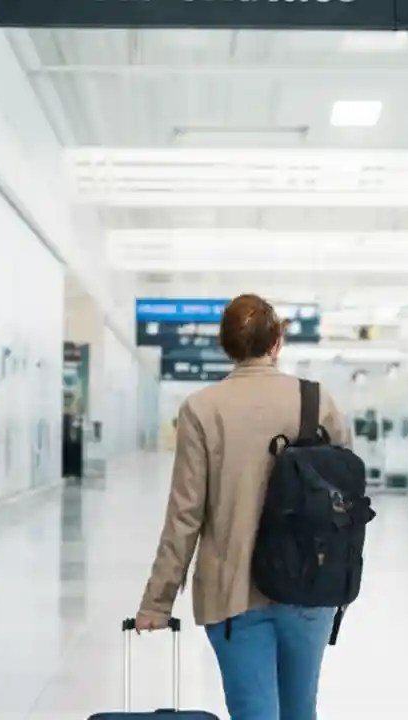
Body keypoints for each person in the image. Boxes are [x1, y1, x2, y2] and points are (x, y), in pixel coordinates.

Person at [135, 294, 350, 720]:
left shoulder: (201, 409)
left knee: (253, 712)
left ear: (226, 346)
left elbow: (185, 516)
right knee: (300, 710)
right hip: (310, 588)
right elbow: (344, 502)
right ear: (277, 343)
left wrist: (157, 603)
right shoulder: (318, 401)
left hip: (234, 595)